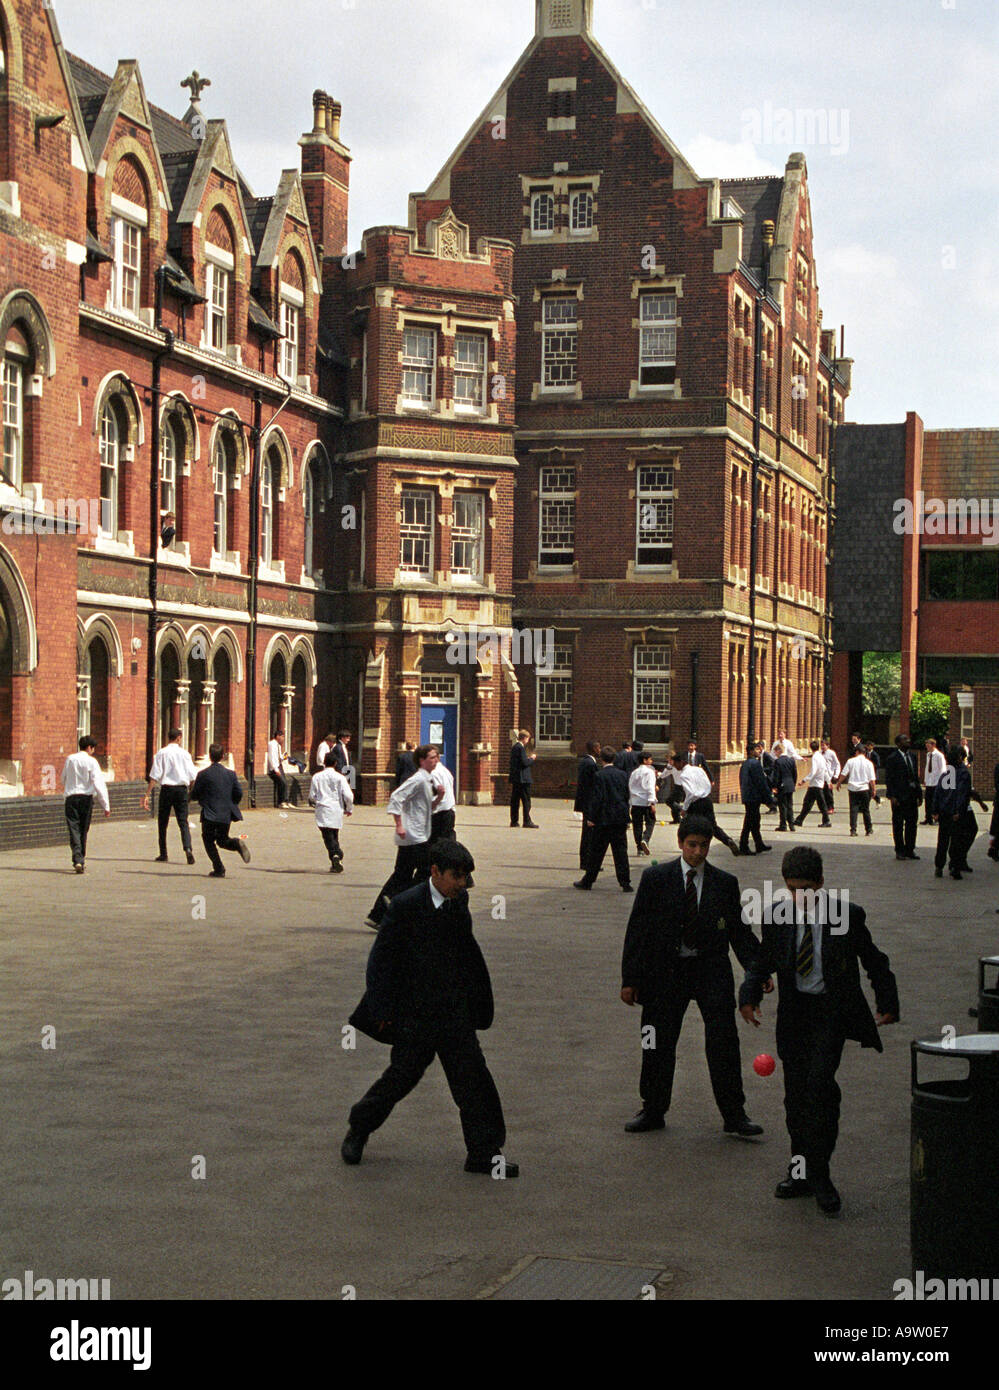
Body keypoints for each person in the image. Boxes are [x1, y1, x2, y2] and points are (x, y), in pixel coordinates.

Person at [342, 839, 518, 1178]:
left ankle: (484, 1153)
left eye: (466, 877)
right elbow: (380, 961)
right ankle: (359, 1129)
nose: (462, 884)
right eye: (456, 876)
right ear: (434, 872)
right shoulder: (406, 905)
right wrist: (380, 1010)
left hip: (454, 1013)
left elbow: (464, 951)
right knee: (400, 1079)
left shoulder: (458, 900)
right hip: (415, 1015)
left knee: (474, 1081)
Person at [739, 845, 899, 1216]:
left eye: (808, 889)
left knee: (820, 1089)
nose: (801, 897)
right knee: (795, 1098)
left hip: (831, 1013)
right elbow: (762, 960)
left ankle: (821, 1174)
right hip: (795, 1014)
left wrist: (887, 1002)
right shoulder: (777, 916)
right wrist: (749, 995)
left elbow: (875, 962)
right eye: (793, 889)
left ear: (822, 884)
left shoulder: (846, 916)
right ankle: (800, 1172)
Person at [620, 814, 764, 1139]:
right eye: (692, 845)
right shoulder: (656, 879)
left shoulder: (723, 883)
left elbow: (740, 932)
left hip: (710, 970)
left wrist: (758, 968)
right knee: (657, 1040)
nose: (698, 852)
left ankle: (734, 1114)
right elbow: (638, 931)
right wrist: (630, 979)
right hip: (665, 974)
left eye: (704, 846)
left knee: (723, 1042)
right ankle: (653, 1109)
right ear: (680, 843)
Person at [366, 744, 444, 929]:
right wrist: (399, 824)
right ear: (422, 760)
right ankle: (397, 902)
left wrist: (439, 797)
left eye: (437, 756)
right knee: (425, 870)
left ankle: (378, 915)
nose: (436, 760)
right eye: (432, 757)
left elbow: (426, 808)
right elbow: (396, 798)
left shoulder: (428, 779)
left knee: (402, 873)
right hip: (412, 834)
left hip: (419, 833)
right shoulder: (417, 779)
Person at [574, 748, 633, 891]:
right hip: (619, 818)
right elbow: (626, 796)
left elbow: (597, 798)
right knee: (620, 852)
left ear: (602, 759)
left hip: (603, 819)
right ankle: (625, 882)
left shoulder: (599, 776)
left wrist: (591, 817)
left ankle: (588, 881)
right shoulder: (623, 775)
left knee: (597, 852)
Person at [190, 743, 251, 878]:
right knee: (223, 840)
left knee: (208, 840)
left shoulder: (203, 774)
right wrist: (230, 803)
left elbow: (195, 794)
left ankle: (219, 868)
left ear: (210, 757)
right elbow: (239, 793)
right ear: (223, 756)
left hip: (209, 814)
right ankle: (236, 843)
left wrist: (200, 799)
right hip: (225, 813)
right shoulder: (231, 774)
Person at [144, 726, 197, 865]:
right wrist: (191, 792)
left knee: (162, 822)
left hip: (166, 789)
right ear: (179, 738)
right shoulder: (185, 754)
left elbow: (155, 775)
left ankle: (163, 853)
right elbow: (193, 776)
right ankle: (188, 849)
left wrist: (147, 794)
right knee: (183, 822)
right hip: (181, 790)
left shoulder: (161, 753)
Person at [671, 752, 740, 856]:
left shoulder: (684, 775)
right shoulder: (699, 770)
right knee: (712, 826)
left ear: (681, 762)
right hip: (706, 800)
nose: (674, 767)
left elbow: (690, 793)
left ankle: (690, 845)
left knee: (690, 826)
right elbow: (707, 783)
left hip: (695, 803)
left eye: (675, 764)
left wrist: (684, 808)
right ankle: (727, 840)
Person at [933, 745, 985, 880]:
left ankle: (939, 866)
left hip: (944, 811)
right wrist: (958, 810)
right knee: (956, 840)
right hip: (955, 812)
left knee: (943, 840)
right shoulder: (963, 773)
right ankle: (955, 867)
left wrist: (935, 810)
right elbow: (961, 794)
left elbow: (938, 792)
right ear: (961, 758)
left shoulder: (946, 773)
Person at [61, 735, 110, 873]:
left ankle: (77, 858)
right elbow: (98, 783)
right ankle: (81, 858)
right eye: (93, 748)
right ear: (89, 748)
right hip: (86, 799)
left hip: (71, 797)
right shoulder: (92, 762)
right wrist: (106, 805)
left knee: (73, 828)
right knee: (83, 828)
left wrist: (69, 787)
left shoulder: (70, 759)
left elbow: (62, 778)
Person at [309, 750, 354, 872]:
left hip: (322, 809)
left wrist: (315, 801)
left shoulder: (316, 777)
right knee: (334, 834)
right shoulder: (340, 777)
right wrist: (349, 808)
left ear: (324, 762)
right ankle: (336, 859)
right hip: (336, 809)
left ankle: (336, 854)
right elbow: (349, 795)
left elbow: (312, 796)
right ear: (335, 763)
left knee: (327, 836)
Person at [884, 734, 922, 861]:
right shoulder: (892, 758)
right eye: (905, 740)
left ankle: (910, 849)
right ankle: (899, 850)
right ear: (898, 743)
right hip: (899, 796)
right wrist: (892, 796)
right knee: (898, 824)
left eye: (908, 739)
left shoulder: (913, 756)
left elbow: (916, 777)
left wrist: (919, 795)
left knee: (912, 823)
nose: (908, 741)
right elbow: (889, 778)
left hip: (912, 795)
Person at [739, 742, 774, 855]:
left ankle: (759, 844)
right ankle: (743, 845)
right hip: (754, 797)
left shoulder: (745, 764)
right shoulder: (755, 764)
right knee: (750, 822)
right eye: (756, 749)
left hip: (748, 796)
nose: (759, 751)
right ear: (751, 751)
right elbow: (761, 782)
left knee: (754, 821)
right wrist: (769, 799)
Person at [837, 744, 877, 836]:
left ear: (857, 752)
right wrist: (874, 789)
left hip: (853, 788)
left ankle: (853, 830)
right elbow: (872, 779)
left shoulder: (850, 761)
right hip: (864, 788)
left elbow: (844, 773)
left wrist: (839, 782)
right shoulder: (869, 763)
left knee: (853, 809)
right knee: (865, 809)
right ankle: (868, 829)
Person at [574, 740, 601, 870]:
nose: (599, 750)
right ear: (594, 749)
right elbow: (593, 785)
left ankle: (586, 861)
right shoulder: (590, 764)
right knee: (589, 834)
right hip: (590, 803)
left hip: (585, 802)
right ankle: (587, 862)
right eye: (598, 747)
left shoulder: (585, 762)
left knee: (588, 833)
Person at [795, 739, 831, 828]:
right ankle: (799, 820)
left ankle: (826, 820)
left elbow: (813, 771)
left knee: (816, 803)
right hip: (819, 782)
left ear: (810, 748)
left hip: (815, 783)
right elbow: (825, 770)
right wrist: (828, 781)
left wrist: (804, 780)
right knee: (809, 802)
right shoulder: (821, 757)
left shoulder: (815, 757)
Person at [628, 750, 658, 856]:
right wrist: (652, 802)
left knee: (637, 825)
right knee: (651, 821)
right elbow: (650, 787)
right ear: (645, 760)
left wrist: (631, 802)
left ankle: (639, 848)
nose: (651, 761)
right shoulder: (649, 772)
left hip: (636, 802)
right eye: (650, 759)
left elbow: (630, 787)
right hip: (646, 801)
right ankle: (645, 838)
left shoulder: (634, 772)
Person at [508, 730, 538, 828]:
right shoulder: (520, 748)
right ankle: (527, 821)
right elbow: (525, 763)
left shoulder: (514, 747)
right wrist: (532, 758)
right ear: (525, 738)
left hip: (516, 779)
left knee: (515, 801)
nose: (528, 741)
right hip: (523, 779)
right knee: (526, 801)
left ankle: (514, 821)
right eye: (528, 738)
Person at [772, 747, 798, 832]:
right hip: (790, 785)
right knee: (790, 805)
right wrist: (793, 783)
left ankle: (783, 825)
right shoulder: (791, 760)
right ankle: (791, 824)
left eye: (775, 752)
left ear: (779, 751)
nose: (775, 754)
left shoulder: (778, 762)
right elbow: (795, 774)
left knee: (782, 806)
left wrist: (775, 786)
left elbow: (776, 776)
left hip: (782, 786)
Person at [922, 737, 946, 825]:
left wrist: (941, 781)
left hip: (937, 781)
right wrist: (925, 779)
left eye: (928, 746)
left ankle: (937, 817)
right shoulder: (928, 755)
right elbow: (926, 768)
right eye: (926, 746)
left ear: (933, 745)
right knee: (928, 800)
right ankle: (928, 818)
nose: (927, 748)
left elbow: (942, 769)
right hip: (929, 781)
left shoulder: (939, 755)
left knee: (936, 801)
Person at [266, 729, 291, 809]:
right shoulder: (272, 744)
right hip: (275, 768)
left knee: (285, 783)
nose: (283, 739)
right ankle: (281, 802)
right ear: (277, 736)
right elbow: (272, 757)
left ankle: (286, 801)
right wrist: (275, 769)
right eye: (282, 736)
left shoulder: (278, 746)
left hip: (280, 766)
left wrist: (284, 756)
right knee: (282, 783)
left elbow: (279, 757)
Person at [820, 738, 840, 818]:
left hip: (829, 775)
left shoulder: (831, 753)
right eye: (821, 746)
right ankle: (824, 807)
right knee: (822, 792)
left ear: (828, 746)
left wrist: (836, 775)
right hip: (821, 775)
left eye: (824, 745)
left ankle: (830, 807)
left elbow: (837, 764)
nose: (822, 747)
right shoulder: (819, 753)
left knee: (828, 792)